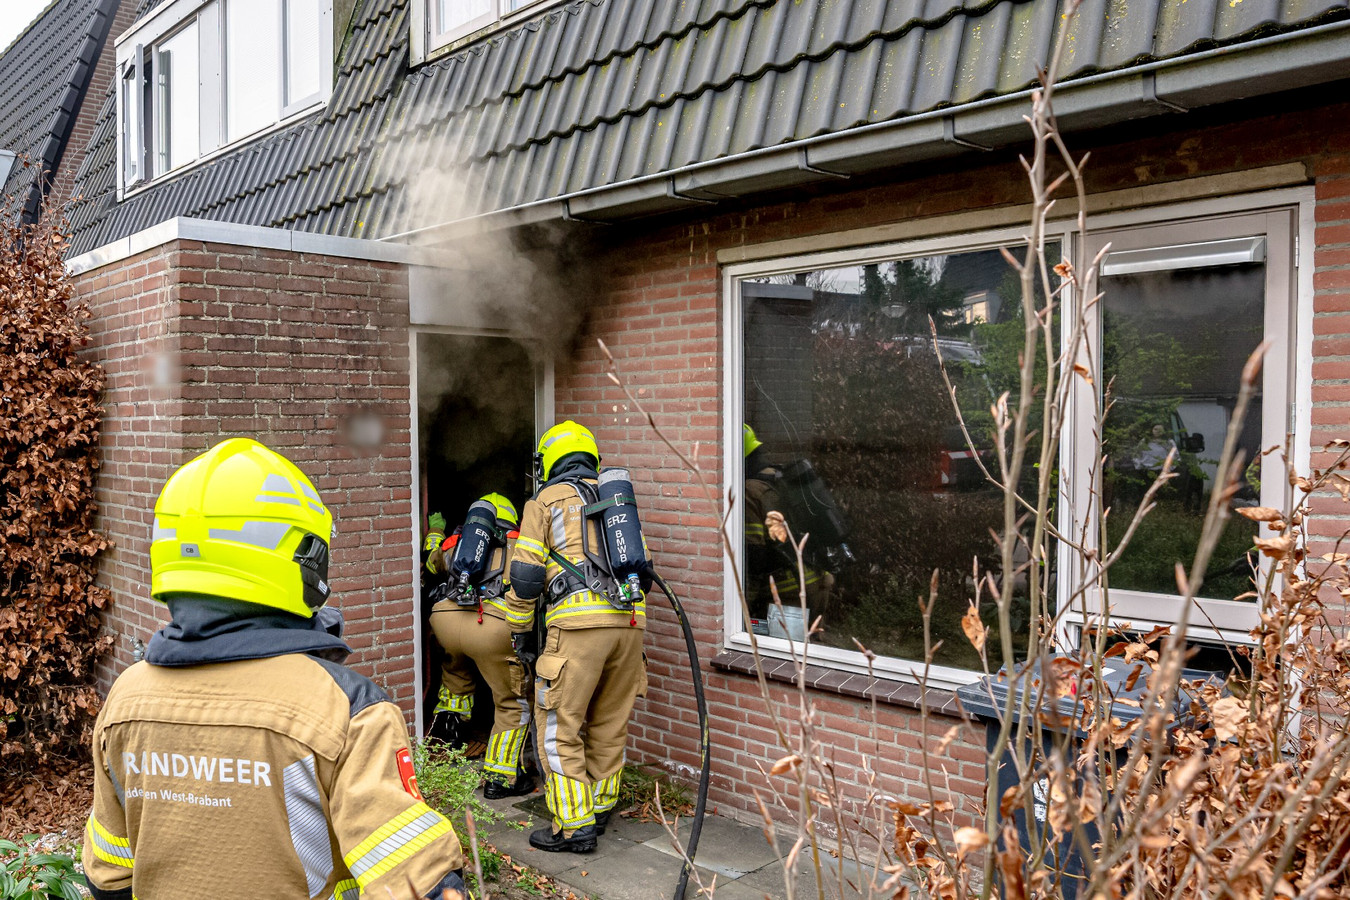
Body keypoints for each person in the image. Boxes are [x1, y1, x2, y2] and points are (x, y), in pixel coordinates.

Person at [82, 438, 466, 900]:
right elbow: (420, 884)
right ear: (305, 559)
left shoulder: (124, 699)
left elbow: (109, 877)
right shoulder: (347, 710)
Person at [505, 421, 647, 854]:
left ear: (548, 461)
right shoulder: (616, 501)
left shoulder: (544, 501)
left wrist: (519, 632)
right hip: (630, 627)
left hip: (578, 629)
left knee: (558, 728)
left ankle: (574, 825)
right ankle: (599, 808)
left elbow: (525, 576)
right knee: (609, 723)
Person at [428, 493, 534, 798]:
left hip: (445, 620)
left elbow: (431, 564)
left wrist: (435, 532)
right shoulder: (522, 544)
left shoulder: (458, 543)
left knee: (456, 676)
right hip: (491, 625)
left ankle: (448, 740)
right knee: (512, 701)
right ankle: (502, 778)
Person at [743, 424, 834, 625]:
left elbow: (755, 557)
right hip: (818, 579)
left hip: (789, 592)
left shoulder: (750, 491)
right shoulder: (779, 476)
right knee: (810, 643)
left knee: (782, 646)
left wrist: (743, 607)